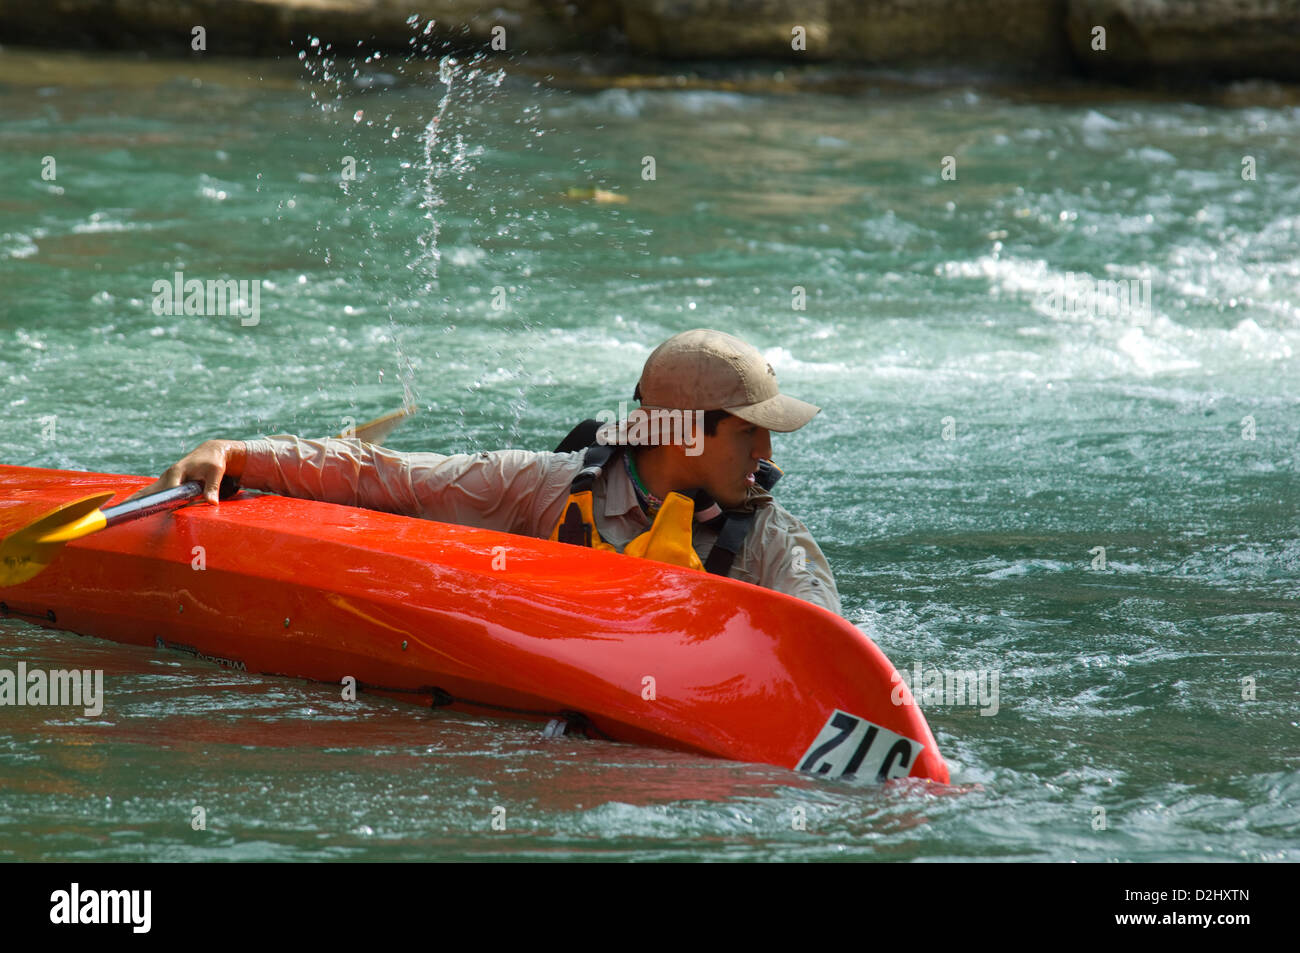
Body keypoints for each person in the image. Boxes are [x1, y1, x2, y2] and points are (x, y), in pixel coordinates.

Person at [139, 329, 842, 614]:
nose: (769, 459)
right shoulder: (545, 485)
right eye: (752, 433)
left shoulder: (774, 543)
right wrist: (237, 453)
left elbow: (826, 645)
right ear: (687, 433)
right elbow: (387, 477)